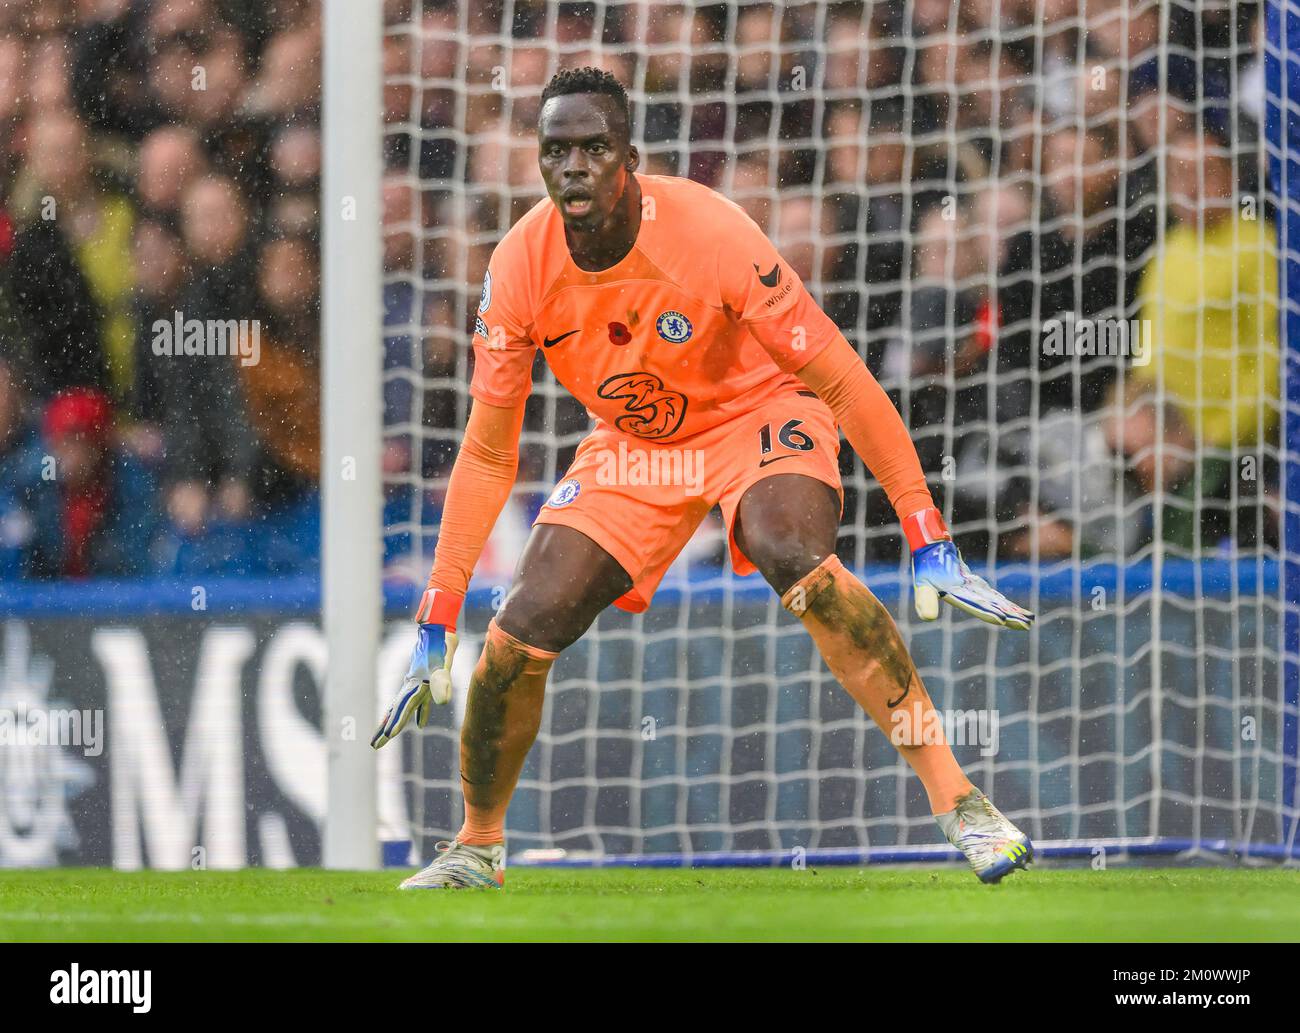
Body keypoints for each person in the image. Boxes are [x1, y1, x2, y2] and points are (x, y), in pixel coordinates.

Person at [371, 68, 1035, 889]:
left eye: (594, 148)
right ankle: (476, 844)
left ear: (630, 158)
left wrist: (924, 529)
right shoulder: (518, 267)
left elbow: (842, 377)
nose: (573, 167)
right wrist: (439, 610)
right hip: (636, 443)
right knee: (517, 630)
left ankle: (960, 800)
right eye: (556, 151)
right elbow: (485, 452)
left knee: (789, 546)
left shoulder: (710, 232)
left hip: (755, 414)